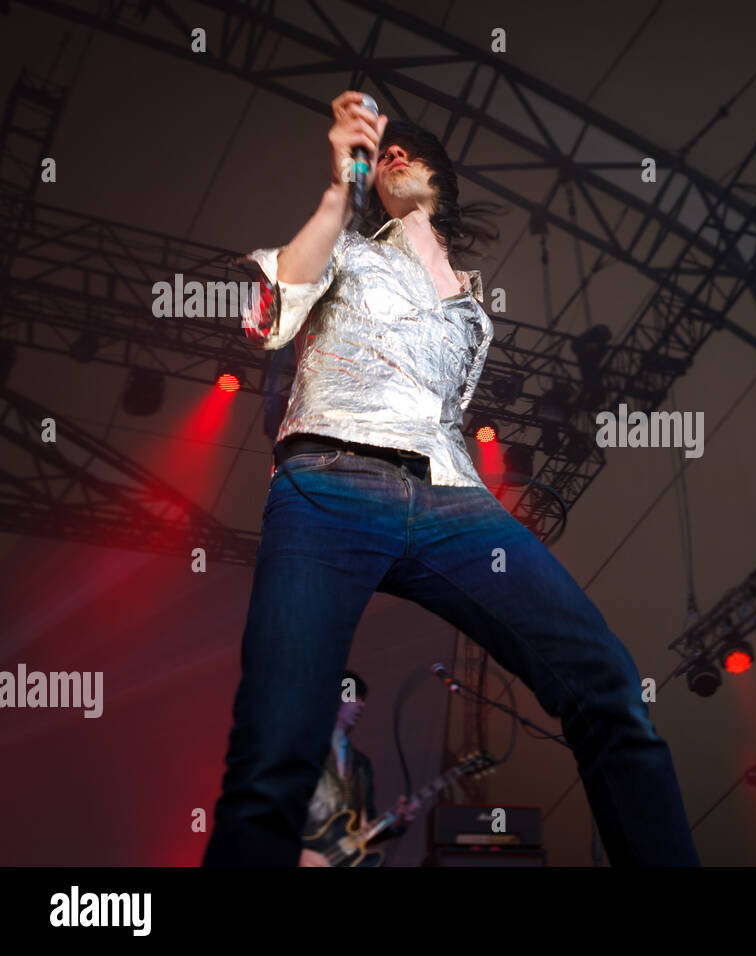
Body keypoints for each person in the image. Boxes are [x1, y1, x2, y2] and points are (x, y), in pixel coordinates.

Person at [201, 90, 700, 867]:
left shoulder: (475, 311)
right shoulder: (347, 248)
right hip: (330, 482)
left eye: (412, 149)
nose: (395, 152)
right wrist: (342, 187)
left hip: (454, 501)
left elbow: (446, 414)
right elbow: (270, 318)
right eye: (385, 150)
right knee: (278, 743)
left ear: (442, 180)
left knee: (604, 685)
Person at [299, 670, 419, 867]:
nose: (361, 704)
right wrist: (294, 853)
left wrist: (395, 824)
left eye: (362, 699)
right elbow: (270, 812)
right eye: (355, 697)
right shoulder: (300, 752)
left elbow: (364, 829)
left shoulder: (361, 763)